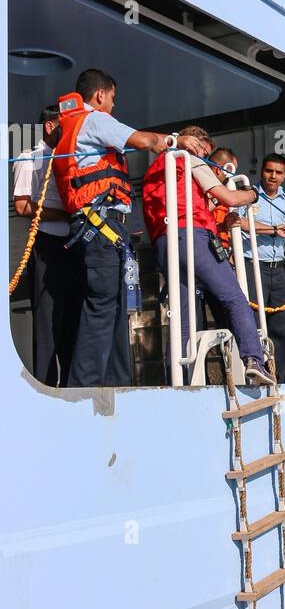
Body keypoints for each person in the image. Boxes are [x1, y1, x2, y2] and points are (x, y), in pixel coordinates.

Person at [55, 68, 206, 388]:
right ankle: (83, 393)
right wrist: (179, 140)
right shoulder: (95, 119)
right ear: (100, 95)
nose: (113, 105)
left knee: (111, 309)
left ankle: (115, 385)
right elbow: (146, 141)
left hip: (96, 231)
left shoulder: (73, 127)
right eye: (112, 98)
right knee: (101, 310)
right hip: (101, 229)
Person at [141, 126, 274, 386]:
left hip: (164, 242)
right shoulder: (190, 159)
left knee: (182, 319)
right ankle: (255, 360)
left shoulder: (158, 167)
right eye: (206, 151)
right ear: (196, 143)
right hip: (194, 238)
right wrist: (253, 194)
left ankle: (179, 381)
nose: (208, 157)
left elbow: (187, 201)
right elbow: (230, 198)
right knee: (234, 297)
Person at [11, 102, 79, 385]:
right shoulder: (31, 157)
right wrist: (64, 213)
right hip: (47, 241)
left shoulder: (70, 157)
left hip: (73, 241)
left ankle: (73, 385)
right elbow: (23, 206)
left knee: (73, 316)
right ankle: (47, 383)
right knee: (48, 317)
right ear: (51, 126)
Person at [236, 153, 285, 383]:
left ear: (284, 176)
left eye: (278, 172)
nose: (273, 176)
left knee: (281, 327)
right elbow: (240, 222)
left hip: (278, 270)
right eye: (269, 171)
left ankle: (279, 377)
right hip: (253, 267)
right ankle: (255, 375)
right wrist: (274, 229)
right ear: (262, 171)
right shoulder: (249, 195)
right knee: (254, 324)